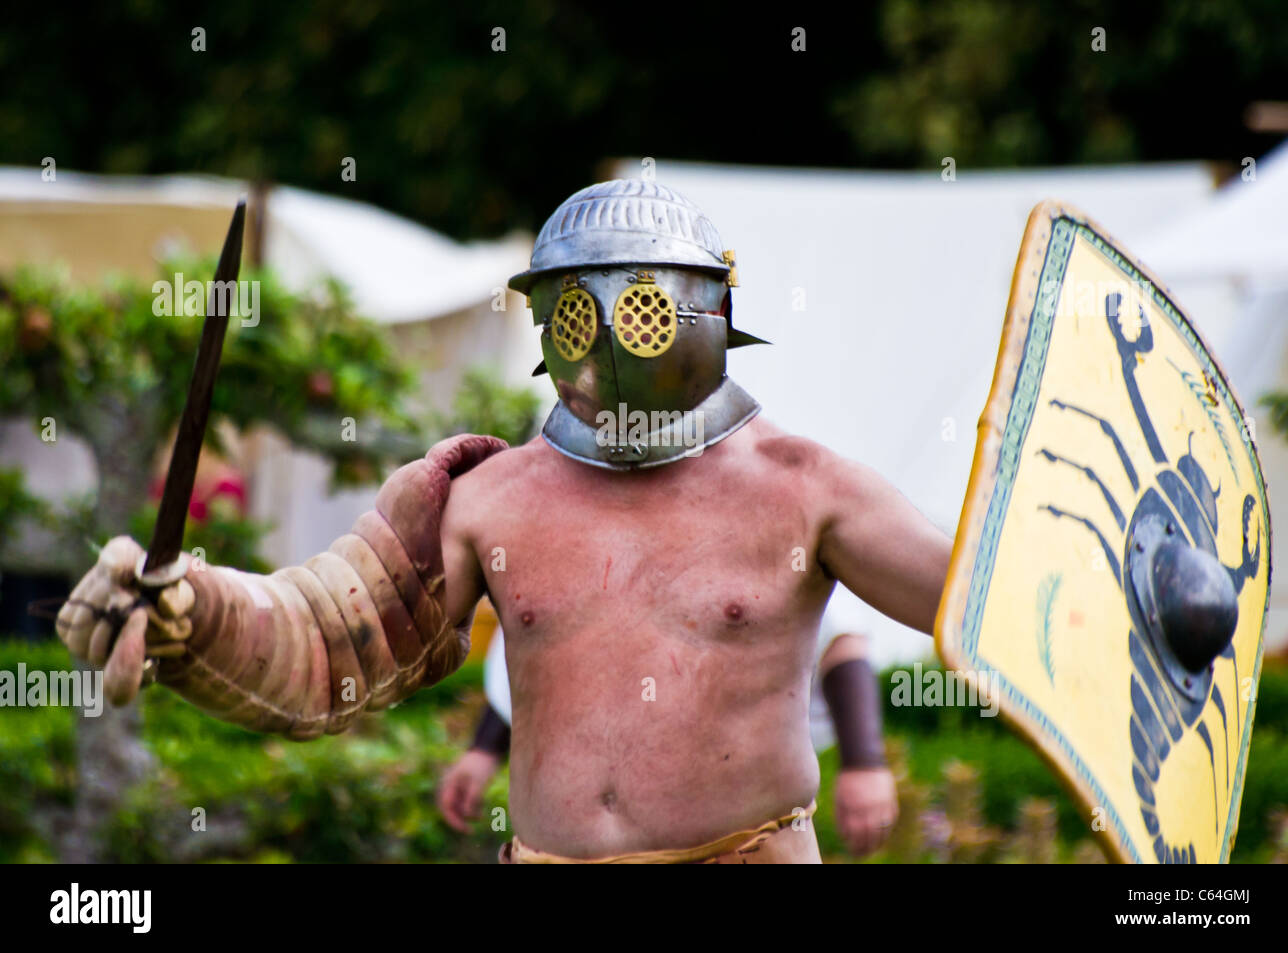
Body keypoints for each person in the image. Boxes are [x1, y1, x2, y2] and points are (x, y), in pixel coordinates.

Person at [58, 180, 951, 863]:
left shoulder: (808, 488)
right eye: (573, 309)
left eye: (641, 307)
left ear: (712, 311)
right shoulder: (489, 493)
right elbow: (332, 644)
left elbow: (990, 597)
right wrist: (192, 610)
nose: (603, 337)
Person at [440, 620, 900, 857]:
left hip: (735, 841)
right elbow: (534, 642)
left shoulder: (760, 485)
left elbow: (840, 638)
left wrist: (864, 762)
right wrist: (484, 748)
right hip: (568, 848)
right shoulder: (541, 493)